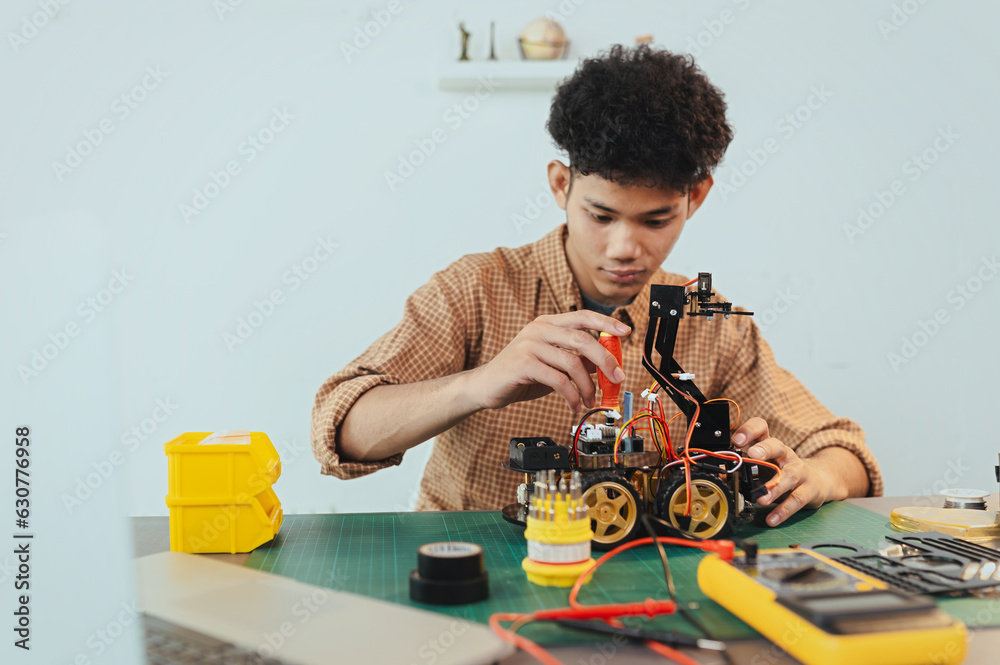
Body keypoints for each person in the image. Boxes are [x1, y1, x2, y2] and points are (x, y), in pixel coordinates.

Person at [311, 44, 881, 527]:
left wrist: (818, 475)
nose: (625, 248)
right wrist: (479, 385)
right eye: (601, 215)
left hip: (644, 579)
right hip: (479, 577)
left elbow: (843, 448)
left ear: (696, 197)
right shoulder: (477, 289)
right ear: (562, 185)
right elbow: (342, 431)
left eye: (656, 220)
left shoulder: (712, 325)